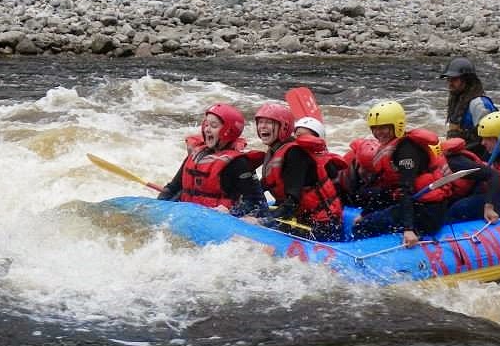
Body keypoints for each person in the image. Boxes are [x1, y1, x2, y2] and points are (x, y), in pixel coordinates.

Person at [350, 101, 452, 247]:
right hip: (416, 204)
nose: (378, 132)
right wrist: (365, 213)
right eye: (375, 128)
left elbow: (406, 189)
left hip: (428, 211)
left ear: (396, 126)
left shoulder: (407, 151)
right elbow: (390, 189)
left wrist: (408, 229)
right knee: (366, 219)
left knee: (361, 228)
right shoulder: (393, 147)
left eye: (384, 127)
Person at [252, 103, 345, 241]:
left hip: (323, 225)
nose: (262, 127)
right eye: (260, 122)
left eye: (268, 123)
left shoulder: (295, 153)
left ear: (284, 127)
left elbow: (292, 201)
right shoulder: (273, 152)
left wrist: (264, 220)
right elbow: (259, 190)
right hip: (300, 217)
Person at [158, 103, 269, 218]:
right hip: (188, 215)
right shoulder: (196, 155)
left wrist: (232, 213)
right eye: (206, 125)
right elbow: (173, 188)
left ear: (228, 131)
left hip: (217, 220)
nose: (207, 129)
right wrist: (159, 205)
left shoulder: (238, 163)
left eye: (213, 126)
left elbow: (257, 204)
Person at [441, 137, 500, 223]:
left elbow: (495, 175)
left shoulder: (455, 164)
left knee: (455, 209)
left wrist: (489, 208)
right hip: (487, 190)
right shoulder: (441, 163)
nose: (483, 143)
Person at [441, 57, 497, 155]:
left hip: (480, 156)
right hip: (466, 153)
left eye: (454, 79)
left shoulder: (478, 105)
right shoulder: (458, 100)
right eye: (448, 79)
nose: (450, 83)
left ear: (467, 80)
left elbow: (488, 140)